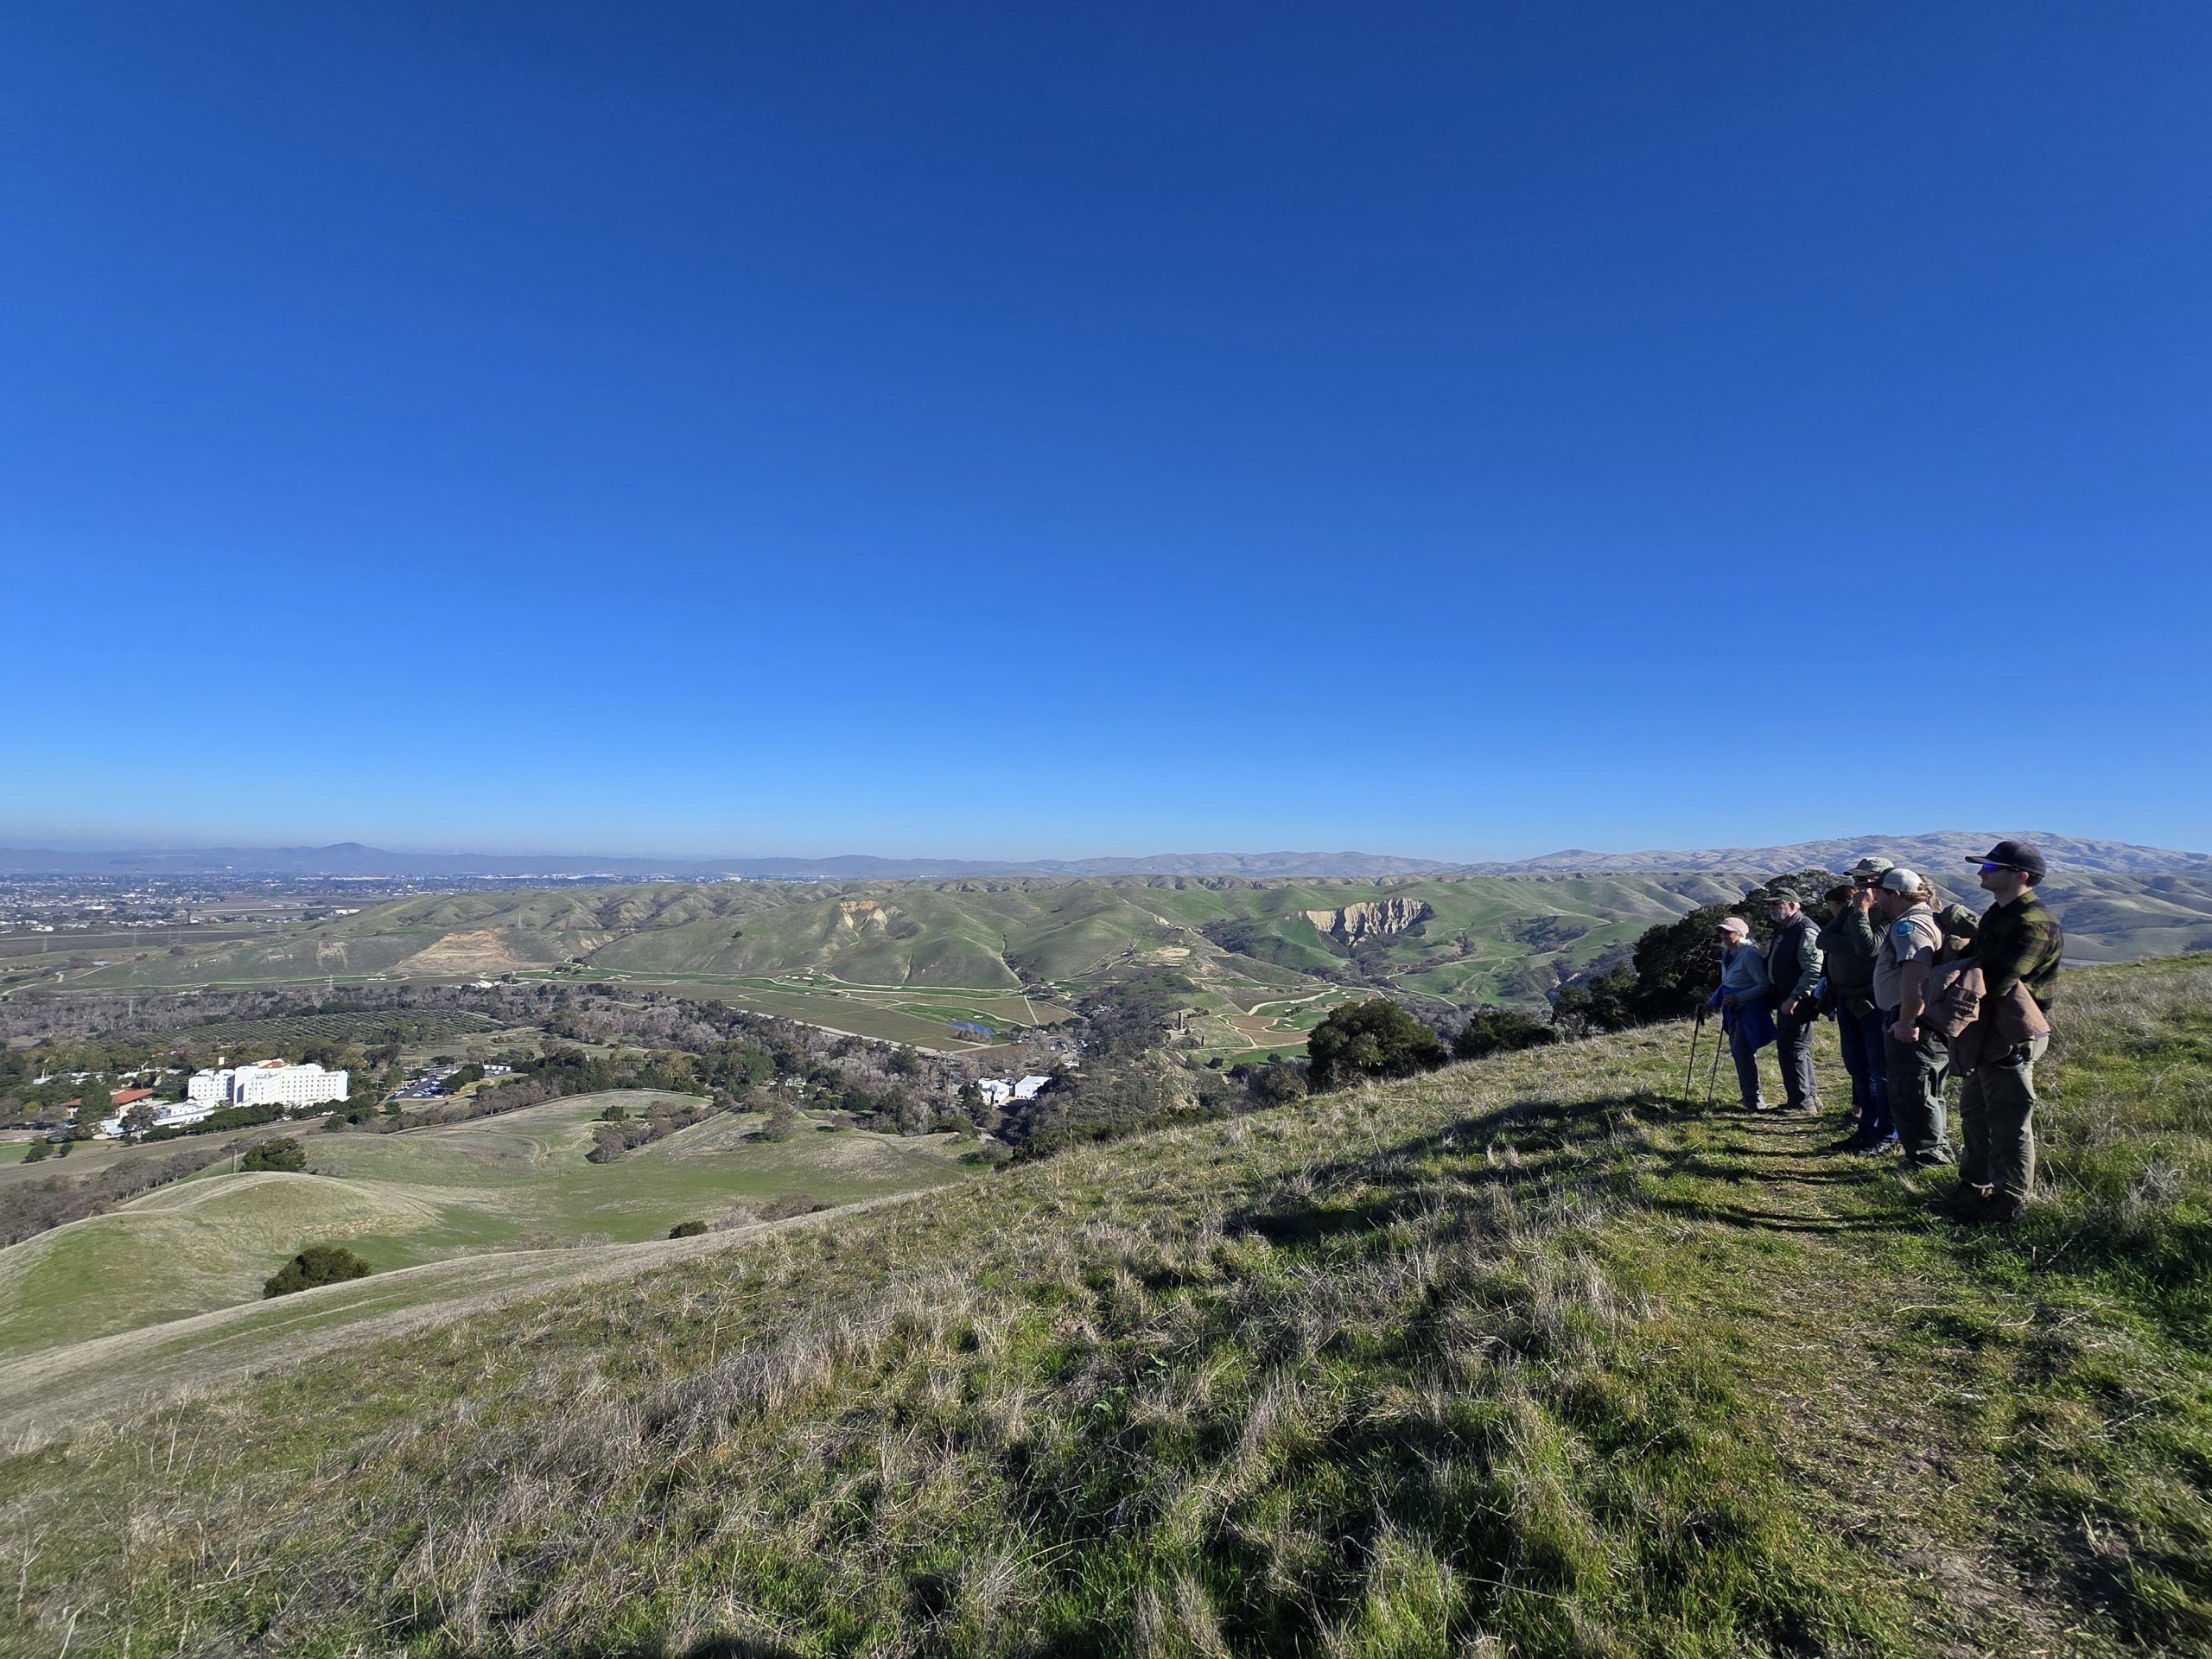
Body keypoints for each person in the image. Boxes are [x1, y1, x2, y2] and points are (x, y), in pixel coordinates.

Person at [1952, 840, 2064, 1223]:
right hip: (1989, 1028)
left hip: (2011, 1034)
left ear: (2020, 876)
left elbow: (1996, 982)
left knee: (2009, 1119)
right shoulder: (1998, 914)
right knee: (1975, 1113)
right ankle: (1973, 1188)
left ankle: (2009, 1201)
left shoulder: (2032, 923)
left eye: (1991, 868)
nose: (1982, 872)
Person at [1872, 868, 1953, 1168]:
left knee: (1913, 1089)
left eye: (1880, 893)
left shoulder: (1910, 925)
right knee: (1925, 1088)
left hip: (1914, 1022)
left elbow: (1916, 974)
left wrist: (1907, 1020)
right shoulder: (1924, 918)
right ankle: (1931, 1151)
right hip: (1920, 1018)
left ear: (1895, 894)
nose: (1875, 899)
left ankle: (1926, 1158)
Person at [1819, 880, 1893, 1151]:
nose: (1859, 887)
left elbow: (1869, 948)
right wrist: (1853, 918)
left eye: (1865, 882)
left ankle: (1885, 1133)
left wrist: (1861, 914)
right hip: (1845, 998)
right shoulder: (1850, 913)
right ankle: (1866, 1128)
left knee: (1878, 1070)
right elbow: (1822, 939)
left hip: (1873, 1002)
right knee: (1858, 1068)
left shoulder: (1887, 917)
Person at [1762, 890, 1823, 1114]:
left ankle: (1802, 1102)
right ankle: (1809, 1097)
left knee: (1793, 1049)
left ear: (1793, 905)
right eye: (1769, 905)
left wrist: (1795, 997)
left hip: (1797, 999)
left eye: (1777, 904)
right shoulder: (1787, 929)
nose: (1772, 908)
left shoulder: (1805, 929)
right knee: (1797, 1048)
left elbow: (1813, 969)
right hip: (1786, 996)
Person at [1707, 916, 1776, 1110]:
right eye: (1722, 932)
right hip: (1733, 1010)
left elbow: (1764, 985)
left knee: (1743, 1052)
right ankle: (1749, 1096)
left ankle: (1755, 1099)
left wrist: (1740, 998)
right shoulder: (1728, 954)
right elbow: (1726, 983)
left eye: (1728, 932)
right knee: (1739, 1052)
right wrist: (1711, 1002)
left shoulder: (1749, 955)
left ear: (1740, 934)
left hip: (1749, 1011)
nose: (1724, 936)